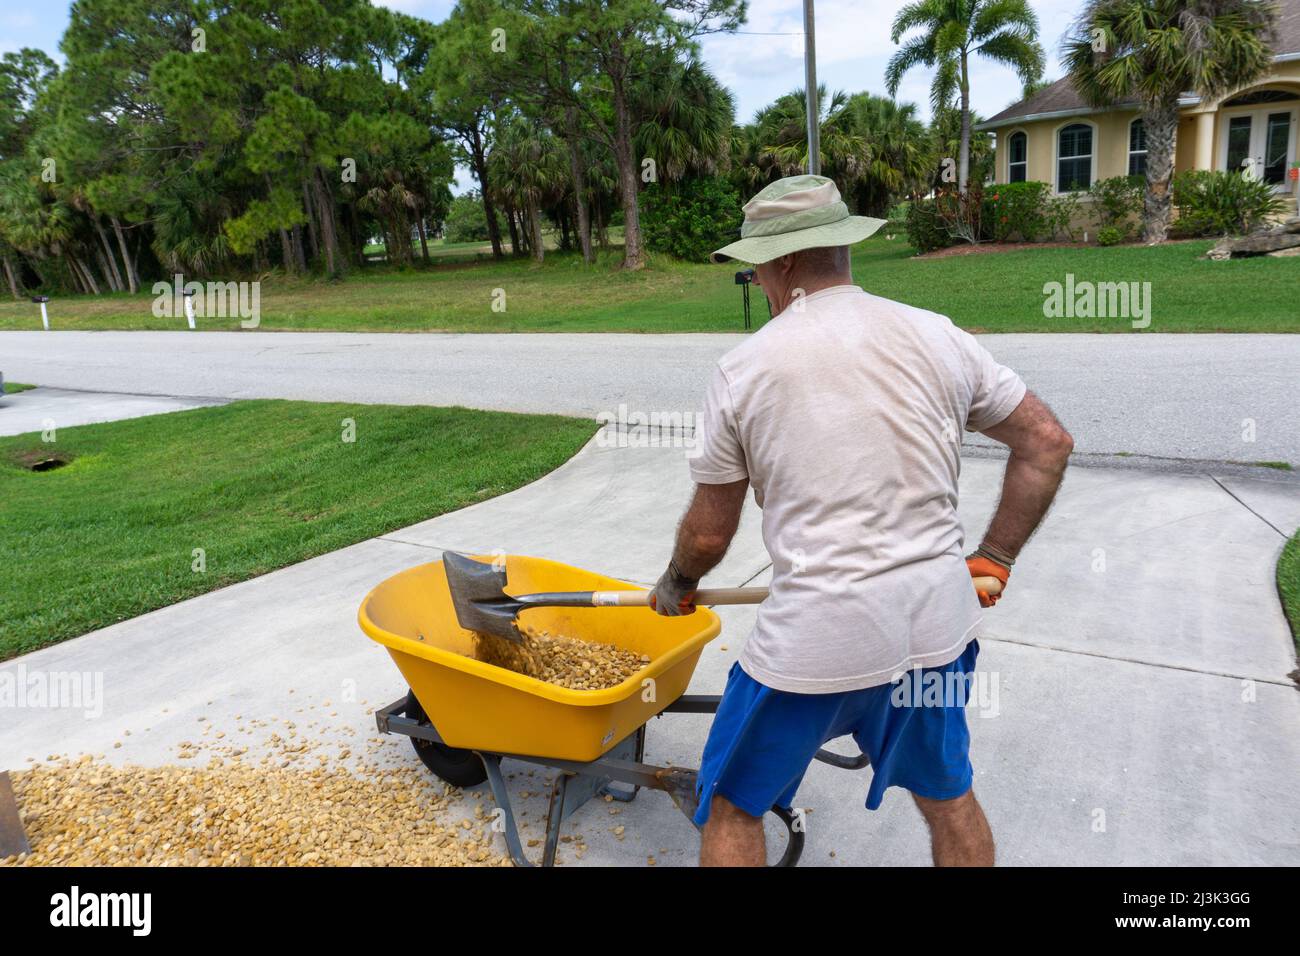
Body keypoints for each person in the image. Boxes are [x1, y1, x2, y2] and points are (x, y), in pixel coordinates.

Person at [648, 174, 1073, 867]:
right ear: (841, 247)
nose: (756, 279)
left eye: (754, 264)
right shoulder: (938, 336)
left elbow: (707, 535)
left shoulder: (745, 367)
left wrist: (676, 581)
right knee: (950, 799)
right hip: (935, 630)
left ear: (781, 261)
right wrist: (994, 558)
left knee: (733, 807)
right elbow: (1047, 441)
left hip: (817, 644)